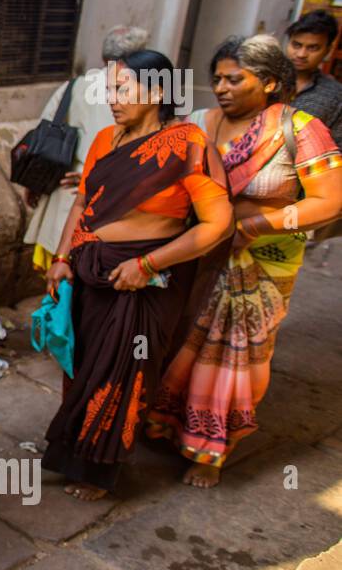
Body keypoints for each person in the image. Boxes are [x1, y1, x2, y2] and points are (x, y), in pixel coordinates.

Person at [146, 35, 342, 488]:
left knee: (230, 356)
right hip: (193, 256)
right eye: (217, 78)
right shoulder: (198, 123)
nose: (222, 87)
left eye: (236, 79)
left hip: (259, 265)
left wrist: (249, 228)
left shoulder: (300, 129)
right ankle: (161, 424)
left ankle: (209, 451)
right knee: (175, 340)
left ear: (271, 82)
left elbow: (328, 202)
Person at [41, 50, 232, 501]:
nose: (112, 98)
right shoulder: (106, 139)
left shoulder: (189, 143)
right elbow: (82, 201)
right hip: (92, 269)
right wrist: (63, 256)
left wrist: (148, 265)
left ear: (159, 92)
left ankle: (100, 469)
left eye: (122, 88)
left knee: (122, 372)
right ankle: (73, 450)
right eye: (109, 89)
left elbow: (217, 224)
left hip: (145, 279)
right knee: (83, 365)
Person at [24, 25, 150, 270]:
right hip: (104, 201)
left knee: (58, 277)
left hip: (65, 192)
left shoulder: (76, 85)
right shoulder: (139, 92)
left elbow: (43, 132)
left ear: (104, 56)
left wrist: (33, 182)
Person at [285, 9, 342, 148]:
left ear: (328, 50)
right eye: (296, 45)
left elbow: (336, 148)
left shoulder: (335, 96)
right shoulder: (266, 80)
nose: (301, 54)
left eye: (313, 48)